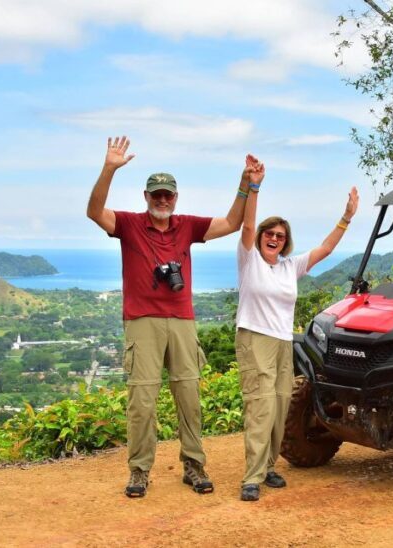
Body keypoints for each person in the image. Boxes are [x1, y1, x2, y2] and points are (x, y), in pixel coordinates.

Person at [86, 136, 264, 498]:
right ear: (146, 197)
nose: (162, 200)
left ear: (176, 198)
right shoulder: (130, 224)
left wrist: (246, 184)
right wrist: (109, 169)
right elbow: (94, 212)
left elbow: (232, 222)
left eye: (168, 194)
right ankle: (139, 471)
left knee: (189, 397)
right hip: (142, 320)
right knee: (142, 402)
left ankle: (194, 466)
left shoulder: (187, 225)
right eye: (156, 195)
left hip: (182, 319)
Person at [235, 173, 358, 502]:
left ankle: (269, 466)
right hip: (254, 338)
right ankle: (252, 476)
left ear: (285, 241)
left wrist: (346, 217)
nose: (274, 238)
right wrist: (254, 187)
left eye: (280, 235)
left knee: (279, 405)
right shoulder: (249, 261)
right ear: (261, 237)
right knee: (260, 406)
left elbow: (326, 249)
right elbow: (246, 227)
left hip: (282, 342)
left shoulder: (290, 267)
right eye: (270, 233)